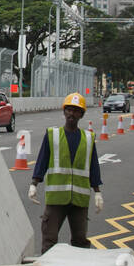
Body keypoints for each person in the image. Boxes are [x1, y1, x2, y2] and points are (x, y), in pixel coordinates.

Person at [28, 92, 104, 252]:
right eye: (69, 110)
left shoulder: (88, 138)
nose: (72, 114)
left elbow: (93, 166)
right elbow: (42, 160)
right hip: (56, 199)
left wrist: (97, 192)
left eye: (76, 111)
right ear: (64, 112)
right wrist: (34, 183)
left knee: (80, 242)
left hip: (79, 200)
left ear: (81, 114)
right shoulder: (52, 135)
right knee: (49, 240)